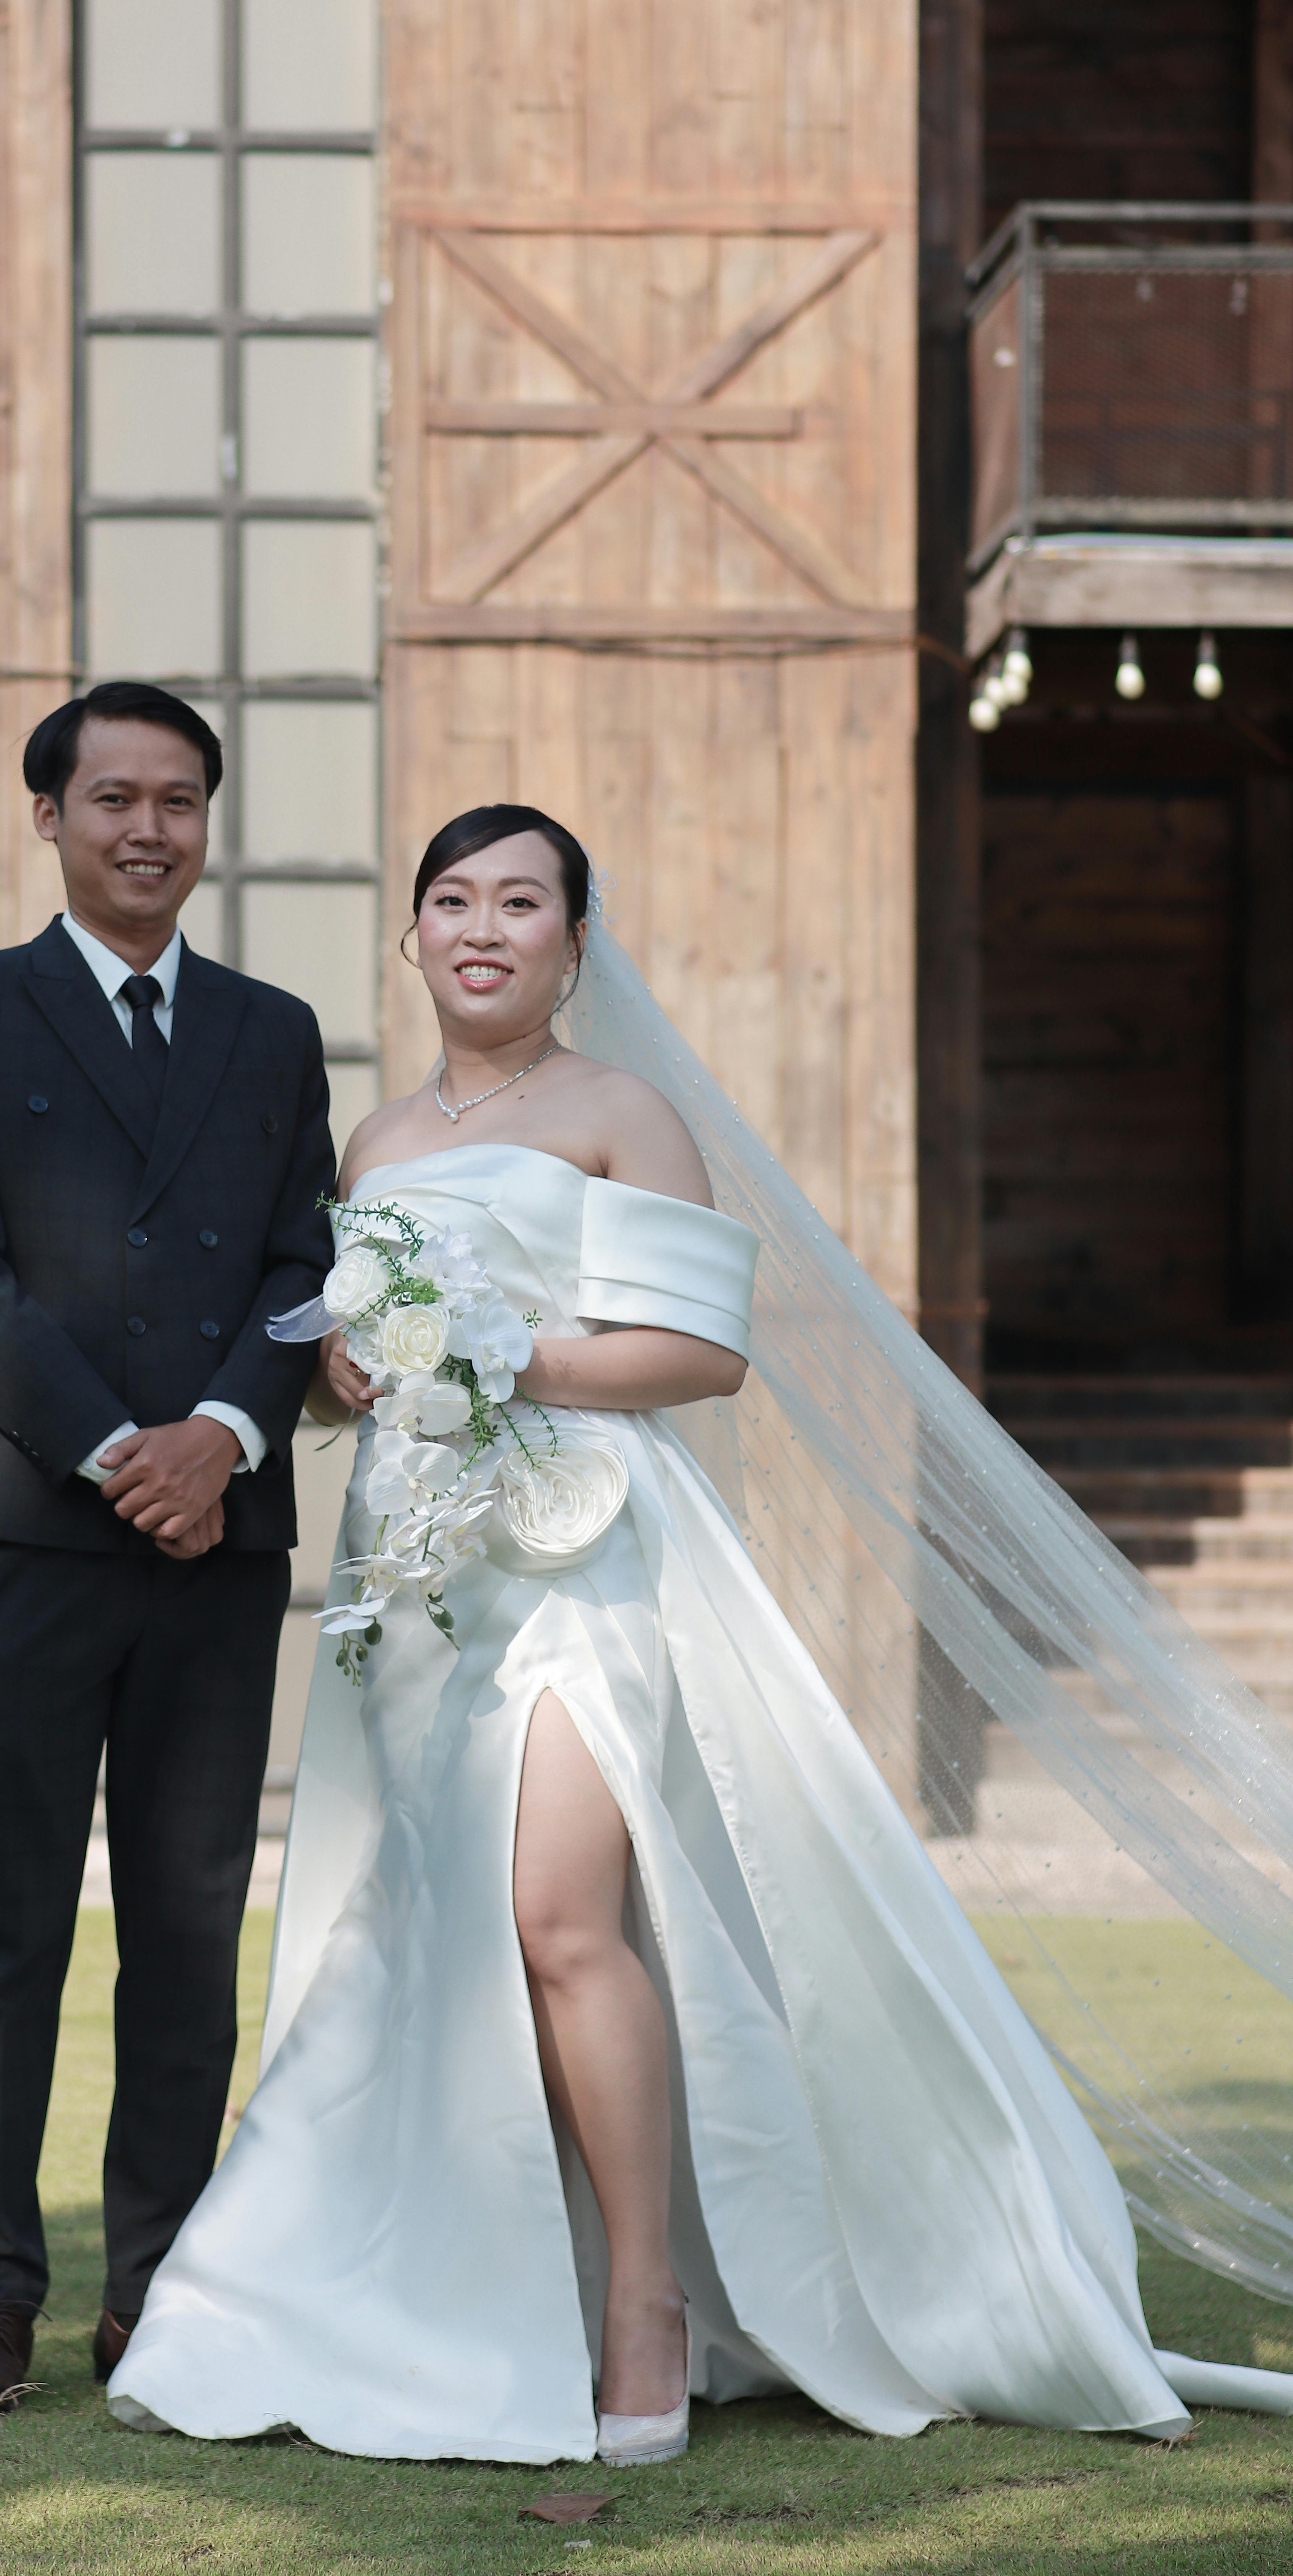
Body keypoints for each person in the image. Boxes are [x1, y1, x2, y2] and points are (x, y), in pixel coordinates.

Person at [104, 802, 1293, 2464]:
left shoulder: (620, 1111)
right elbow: (338, 1346)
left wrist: (494, 1358)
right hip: (420, 1573)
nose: (481, 928)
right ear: (415, 937)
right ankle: (471, 2285)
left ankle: (643, 2303)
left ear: (575, 942)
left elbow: (696, 1354)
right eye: (450, 900)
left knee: (557, 1915)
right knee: (451, 1937)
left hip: (583, 1551)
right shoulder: (370, 1141)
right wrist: (349, 1372)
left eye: (521, 901)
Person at [0, 680, 334, 2409]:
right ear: (49, 818)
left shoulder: (272, 1027)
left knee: (185, 1928)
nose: (148, 828)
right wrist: (113, 1451)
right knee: (6, 1930)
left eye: (180, 801)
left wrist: (218, 1440)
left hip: (215, 1546)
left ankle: (159, 2288)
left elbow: (306, 1265)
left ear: (205, 825)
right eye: (114, 799)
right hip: (29, 1526)